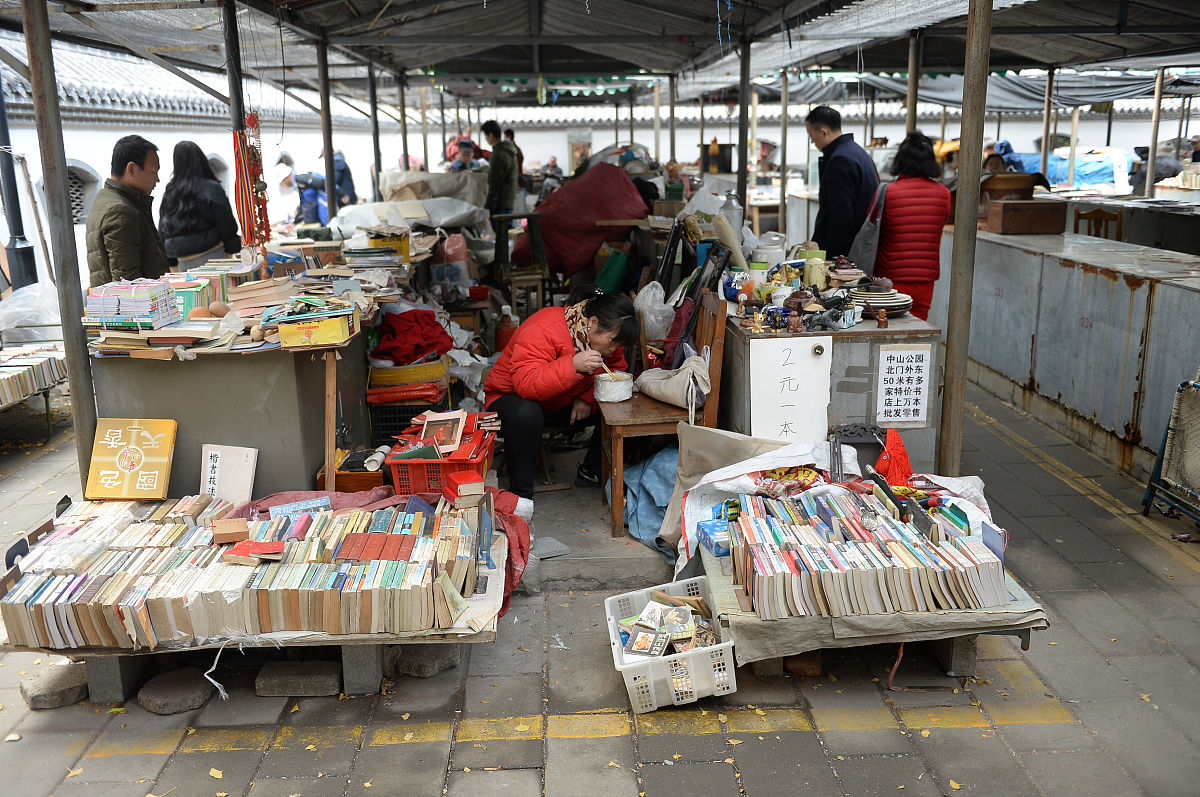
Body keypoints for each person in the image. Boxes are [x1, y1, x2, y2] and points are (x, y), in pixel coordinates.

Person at [483, 288, 638, 509]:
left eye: (618, 343)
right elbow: (526, 384)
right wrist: (573, 365)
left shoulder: (608, 339)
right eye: (612, 341)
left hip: (561, 400)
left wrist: (586, 398)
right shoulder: (544, 327)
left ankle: (591, 471)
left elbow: (614, 369)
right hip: (511, 399)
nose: (613, 348)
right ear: (592, 322)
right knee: (527, 413)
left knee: (617, 399)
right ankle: (521, 497)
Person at [873, 132, 952, 322]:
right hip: (925, 279)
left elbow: (874, 230)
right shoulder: (944, 194)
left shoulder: (887, 192)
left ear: (899, 160)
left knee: (888, 328)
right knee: (918, 327)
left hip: (890, 278)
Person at [85, 134, 169, 287]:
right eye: (154, 171)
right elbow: (128, 282)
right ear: (132, 169)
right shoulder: (120, 211)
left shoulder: (108, 198)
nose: (157, 179)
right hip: (139, 308)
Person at [805, 106, 879, 259]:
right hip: (861, 244)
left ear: (823, 132)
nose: (812, 141)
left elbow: (840, 217)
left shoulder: (840, 160)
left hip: (847, 251)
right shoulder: (857, 152)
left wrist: (829, 258)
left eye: (811, 136)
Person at [157, 141, 241, 271]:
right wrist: (233, 249)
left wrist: (170, 263)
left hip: (182, 262)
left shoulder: (170, 191)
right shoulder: (211, 187)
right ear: (201, 159)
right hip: (214, 257)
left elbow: (163, 228)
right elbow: (225, 222)